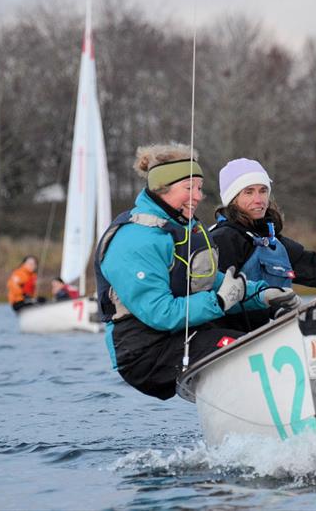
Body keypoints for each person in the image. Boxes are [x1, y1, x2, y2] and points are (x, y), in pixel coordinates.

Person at [94, 144, 300, 400]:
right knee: (248, 352)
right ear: (162, 188)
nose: (198, 196)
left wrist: (264, 295)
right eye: (189, 188)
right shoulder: (135, 240)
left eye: (200, 188)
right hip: (143, 353)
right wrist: (220, 302)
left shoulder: (182, 229)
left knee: (263, 344)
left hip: (182, 336)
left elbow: (214, 282)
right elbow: (160, 312)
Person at [209, 158, 316, 327]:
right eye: (249, 192)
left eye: (263, 191)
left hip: (271, 333)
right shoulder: (222, 239)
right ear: (232, 199)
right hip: (234, 337)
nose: (259, 199)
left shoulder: (273, 242)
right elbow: (215, 297)